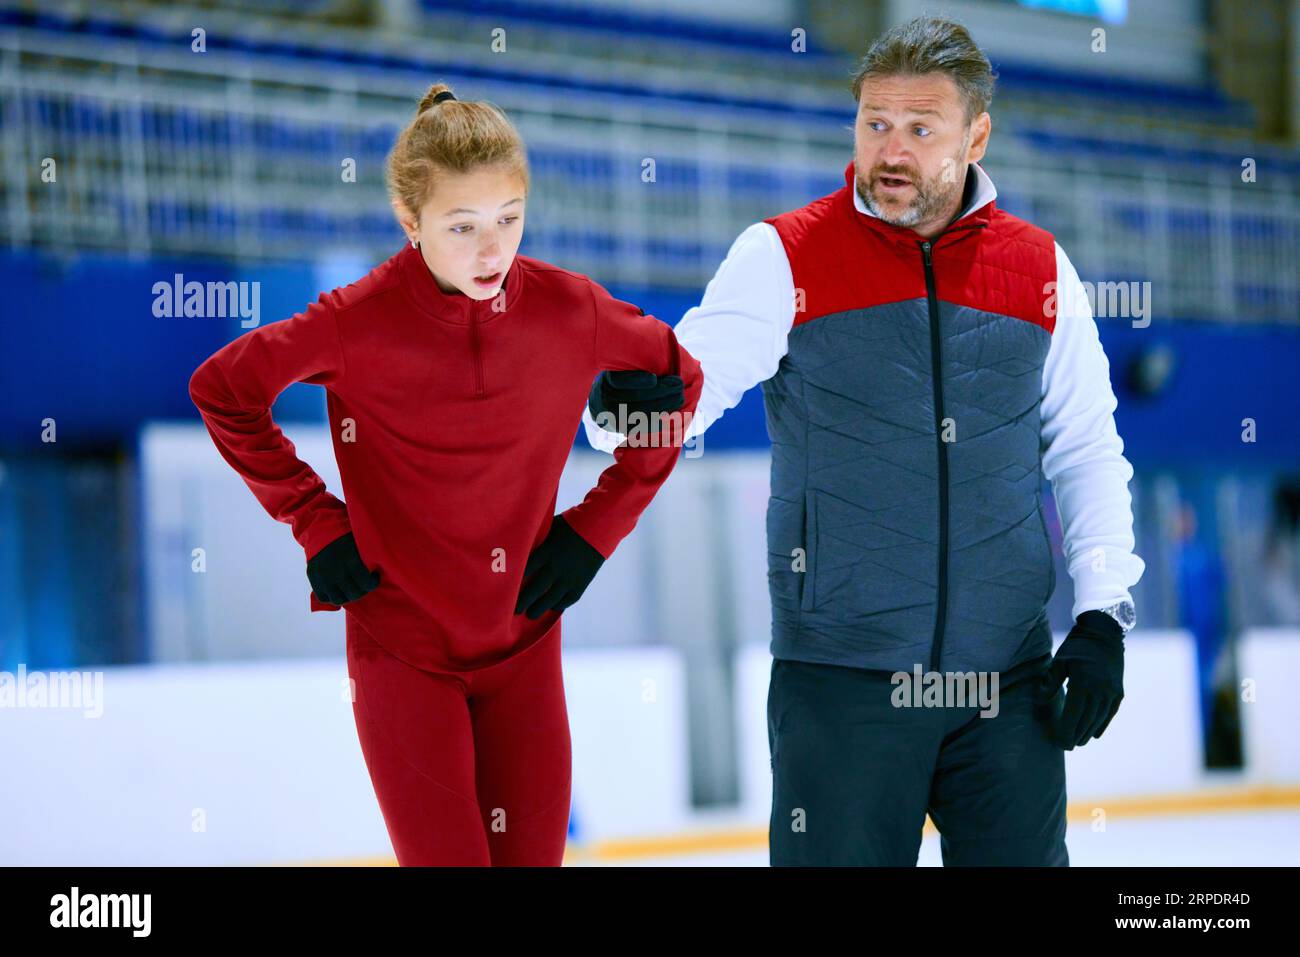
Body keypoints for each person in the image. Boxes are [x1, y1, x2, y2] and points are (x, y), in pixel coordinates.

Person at [587, 17, 1144, 866]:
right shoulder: (782, 256)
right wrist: (614, 413)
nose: (891, 149)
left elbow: (1086, 449)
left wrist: (1103, 615)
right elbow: (686, 393)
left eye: (921, 130)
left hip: (1006, 687)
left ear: (976, 136)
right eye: (875, 123)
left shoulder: (1040, 268)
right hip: (841, 690)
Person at [188, 83, 701, 866]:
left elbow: (679, 378)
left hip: (524, 645)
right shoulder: (352, 322)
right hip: (402, 651)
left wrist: (596, 530)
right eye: (462, 227)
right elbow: (223, 389)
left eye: (509, 219)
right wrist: (314, 518)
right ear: (410, 222)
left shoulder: (573, 311)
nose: (492, 250)